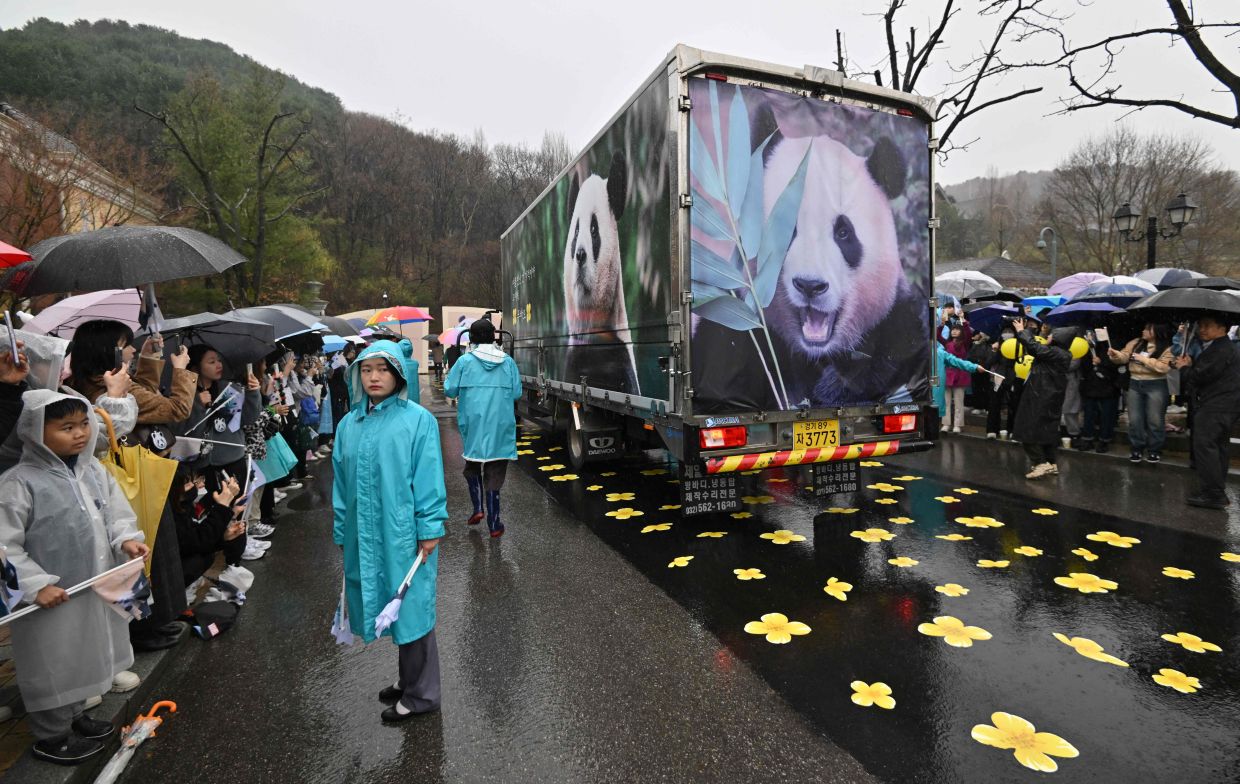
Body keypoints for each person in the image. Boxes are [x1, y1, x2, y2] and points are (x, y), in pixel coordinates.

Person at [0, 391, 149, 765]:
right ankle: (51, 736)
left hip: (90, 586)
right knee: (53, 663)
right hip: (50, 598)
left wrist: (127, 539)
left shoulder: (92, 470)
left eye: (84, 424)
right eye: (66, 427)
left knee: (84, 654)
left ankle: (76, 716)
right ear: (35, 431)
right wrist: (35, 585)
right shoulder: (18, 483)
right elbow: (5, 545)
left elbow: (116, 513)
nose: (80, 434)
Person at [332, 339, 447, 723]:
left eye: (382, 369)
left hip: (404, 535)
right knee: (389, 607)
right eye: (367, 369)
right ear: (357, 374)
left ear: (397, 374)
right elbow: (341, 485)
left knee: (411, 610)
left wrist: (429, 528)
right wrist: (340, 529)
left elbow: (428, 479)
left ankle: (423, 695)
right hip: (364, 533)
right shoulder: (349, 424)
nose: (374, 377)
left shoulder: (418, 421)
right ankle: (408, 680)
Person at [444, 318, 523, 537]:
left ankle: (478, 507)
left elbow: (449, 391)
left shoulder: (464, 362)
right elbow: (517, 393)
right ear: (494, 336)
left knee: (473, 464)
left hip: (474, 425)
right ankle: (494, 522)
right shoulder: (508, 362)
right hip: (500, 426)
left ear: (471, 338)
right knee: (495, 471)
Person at [1174, 315, 1240, 509]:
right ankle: (1215, 490)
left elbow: (1199, 377)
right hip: (1224, 405)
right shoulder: (1223, 347)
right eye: (1200, 326)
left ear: (1222, 328)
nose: (1202, 330)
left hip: (1216, 406)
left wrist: (1184, 368)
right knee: (1218, 447)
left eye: (1207, 326)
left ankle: (1213, 493)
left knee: (1206, 446)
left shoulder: (1220, 349)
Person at [1011, 318, 1074, 480]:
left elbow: (1034, 347)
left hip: (1041, 396)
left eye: (1052, 335)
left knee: (1027, 429)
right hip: (1047, 396)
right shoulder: (1060, 353)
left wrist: (1021, 331)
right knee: (1045, 431)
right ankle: (1051, 463)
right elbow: (1035, 349)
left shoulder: (1055, 352)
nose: (1048, 337)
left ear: (1058, 339)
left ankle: (1040, 463)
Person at [1109, 323, 1174, 464]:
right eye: (1144, 328)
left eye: (1147, 329)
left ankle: (1154, 450)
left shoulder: (1168, 347)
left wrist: (1143, 359)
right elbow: (1125, 356)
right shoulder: (1136, 342)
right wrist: (1116, 355)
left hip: (1156, 384)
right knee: (1135, 419)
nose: (1143, 331)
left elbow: (1163, 367)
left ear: (1157, 331)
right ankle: (1136, 448)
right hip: (1134, 383)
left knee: (1155, 419)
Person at [1078, 330, 1122, 453]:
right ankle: (1088, 439)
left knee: (1107, 415)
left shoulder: (1111, 345)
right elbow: (1083, 366)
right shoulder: (1086, 347)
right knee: (1089, 414)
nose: (1090, 336)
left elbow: (1118, 364)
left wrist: (1102, 362)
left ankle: (1104, 440)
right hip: (1090, 384)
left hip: (1108, 385)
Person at [936, 312, 973, 434]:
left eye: (957, 330)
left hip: (960, 375)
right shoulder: (947, 344)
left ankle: (957, 425)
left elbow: (968, 334)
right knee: (945, 402)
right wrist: (942, 324)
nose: (954, 332)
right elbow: (937, 336)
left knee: (958, 402)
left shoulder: (965, 344)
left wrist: (963, 319)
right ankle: (945, 424)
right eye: (953, 330)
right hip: (947, 375)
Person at [986, 324, 1023, 440]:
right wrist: (994, 350)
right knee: (994, 404)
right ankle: (992, 430)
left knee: (1014, 404)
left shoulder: (1020, 345)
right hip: (998, 377)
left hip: (1015, 377)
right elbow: (989, 362)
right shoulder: (998, 346)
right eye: (1005, 331)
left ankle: (1013, 430)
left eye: (1010, 331)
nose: (1007, 334)